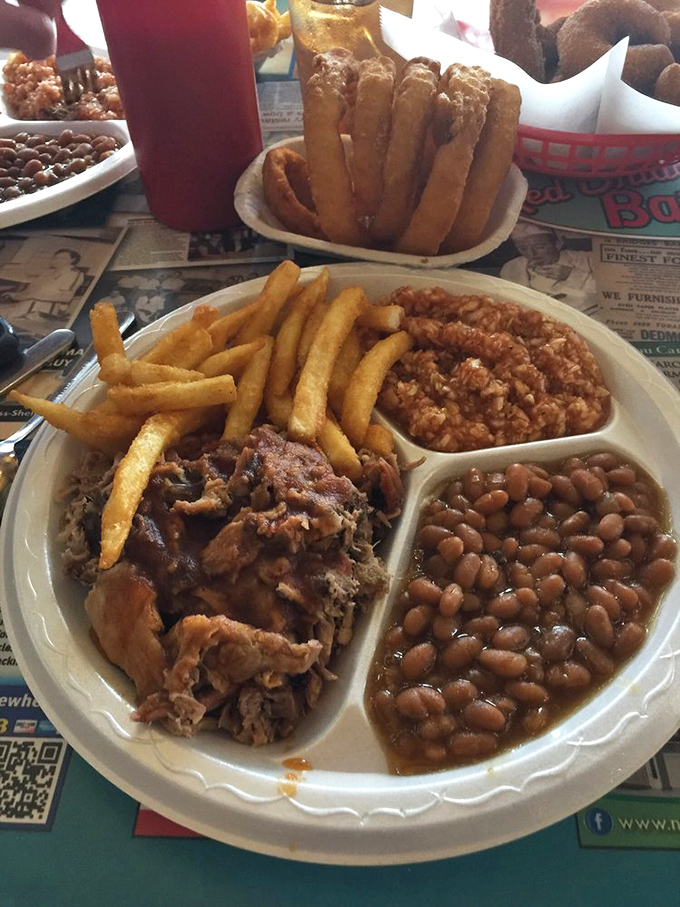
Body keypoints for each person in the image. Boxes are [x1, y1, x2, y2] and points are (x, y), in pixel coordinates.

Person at [500, 223, 597, 313]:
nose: (531, 254)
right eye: (523, 249)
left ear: (558, 244)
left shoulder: (587, 260)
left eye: (540, 247)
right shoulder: (512, 267)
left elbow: (607, 293)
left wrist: (570, 275)